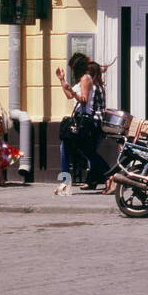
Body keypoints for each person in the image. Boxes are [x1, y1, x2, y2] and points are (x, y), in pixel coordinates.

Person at [55, 53, 95, 195]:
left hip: (83, 120)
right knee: (66, 148)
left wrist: (71, 89)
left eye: (72, 67)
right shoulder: (80, 81)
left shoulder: (85, 79)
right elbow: (69, 96)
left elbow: (83, 99)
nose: (71, 70)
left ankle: (109, 176)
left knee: (84, 152)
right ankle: (65, 183)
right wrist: (62, 81)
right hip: (78, 119)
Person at [79, 60, 112, 191]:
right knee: (91, 151)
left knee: (88, 151)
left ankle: (110, 175)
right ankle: (91, 181)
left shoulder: (94, 87)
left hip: (94, 122)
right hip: (99, 123)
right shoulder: (100, 87)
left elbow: (89, 104)